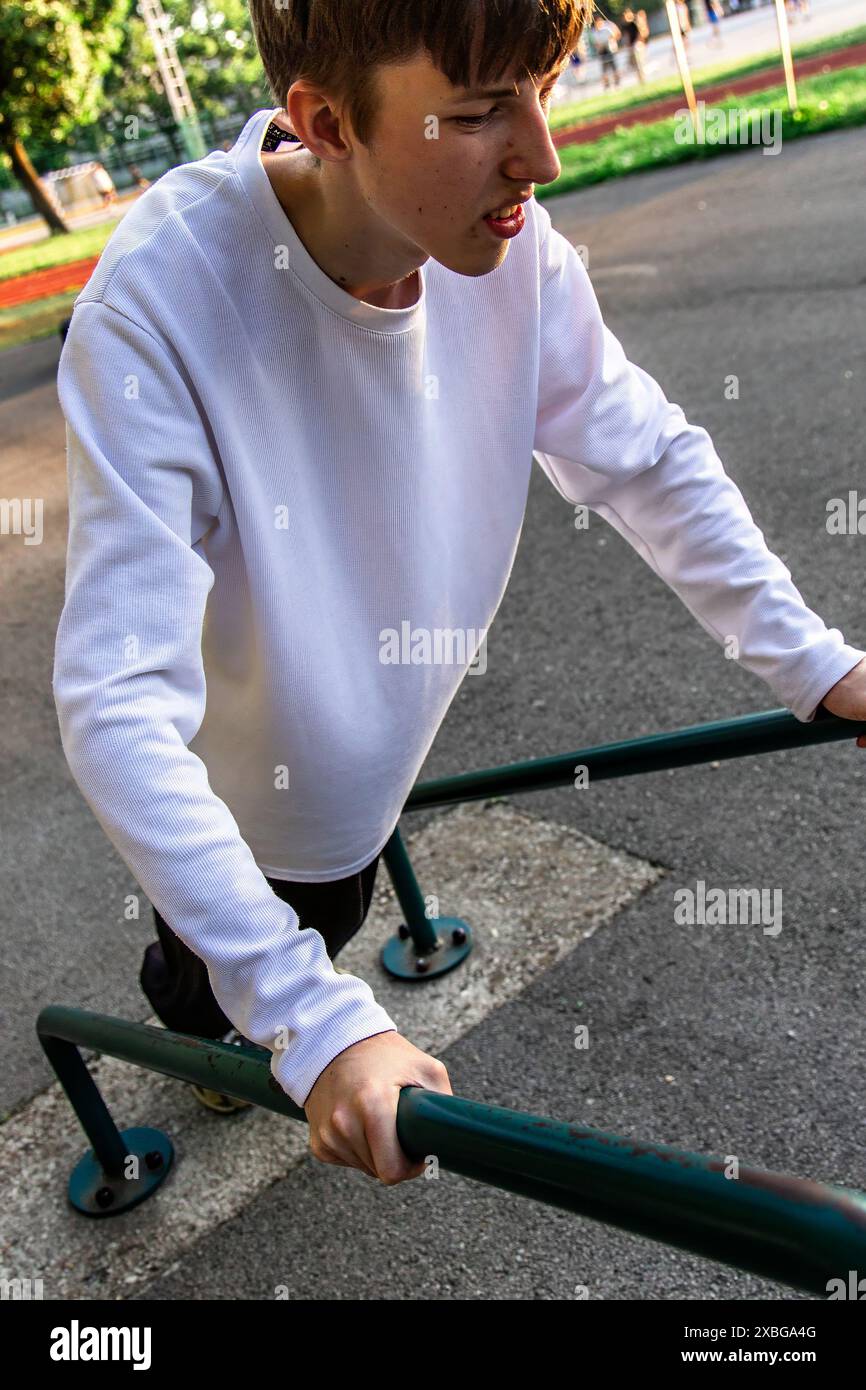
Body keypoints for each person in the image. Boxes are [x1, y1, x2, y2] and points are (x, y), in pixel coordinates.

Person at [53, 0, 866, 1187]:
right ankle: (194, 1010)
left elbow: (641, 454)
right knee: (268, 946)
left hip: (378, 756)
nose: (540, 153)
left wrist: (815, 663)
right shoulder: (160, 310)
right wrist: (312, 1020)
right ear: (326, 122)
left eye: (541, 85)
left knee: (348, 870)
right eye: (481, 112)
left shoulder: (510, 245)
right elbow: (114, 700)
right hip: (263, 814)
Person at [592, 14, 622, 89]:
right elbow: (595, 43)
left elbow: (614, 36)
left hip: (610, 50)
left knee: (614, 67)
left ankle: (617, 82)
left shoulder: (606, 29)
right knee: (604, 70)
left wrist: (609, 41)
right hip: (602, 52)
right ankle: (607, 85)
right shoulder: (594, 32)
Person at [620, 8, 647, 84]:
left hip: (637, 45)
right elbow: (627, 36)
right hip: (631, 46)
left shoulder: (634, 23)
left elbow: (640, 33)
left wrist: (637, 43)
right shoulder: (626, 25)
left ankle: (642, 78)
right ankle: (640, 78)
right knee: (634, 64)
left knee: (639, 63)